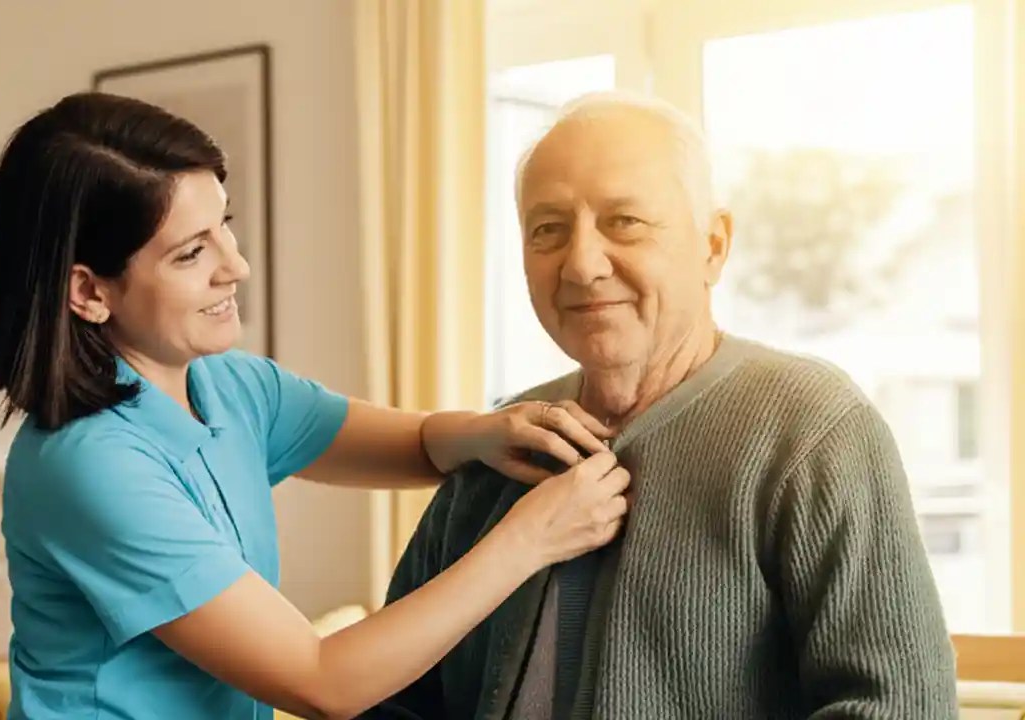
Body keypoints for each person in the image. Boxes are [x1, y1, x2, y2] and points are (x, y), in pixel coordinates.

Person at [0, 91, 632, 720]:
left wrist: (487, 432)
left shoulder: (230, 387)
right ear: (88, 292)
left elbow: (420, 441)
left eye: (223, 228)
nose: (236, 267)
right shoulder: (88, 464)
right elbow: (323, 682)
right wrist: (530, 540)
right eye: (192, 252)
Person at [365, 91, 958, 720]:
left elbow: (899, 705)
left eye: (624, 221)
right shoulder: (498, 445)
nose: (583, 264)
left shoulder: (812, 427)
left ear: (713, 246)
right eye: (548, 229)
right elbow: (392, 698)